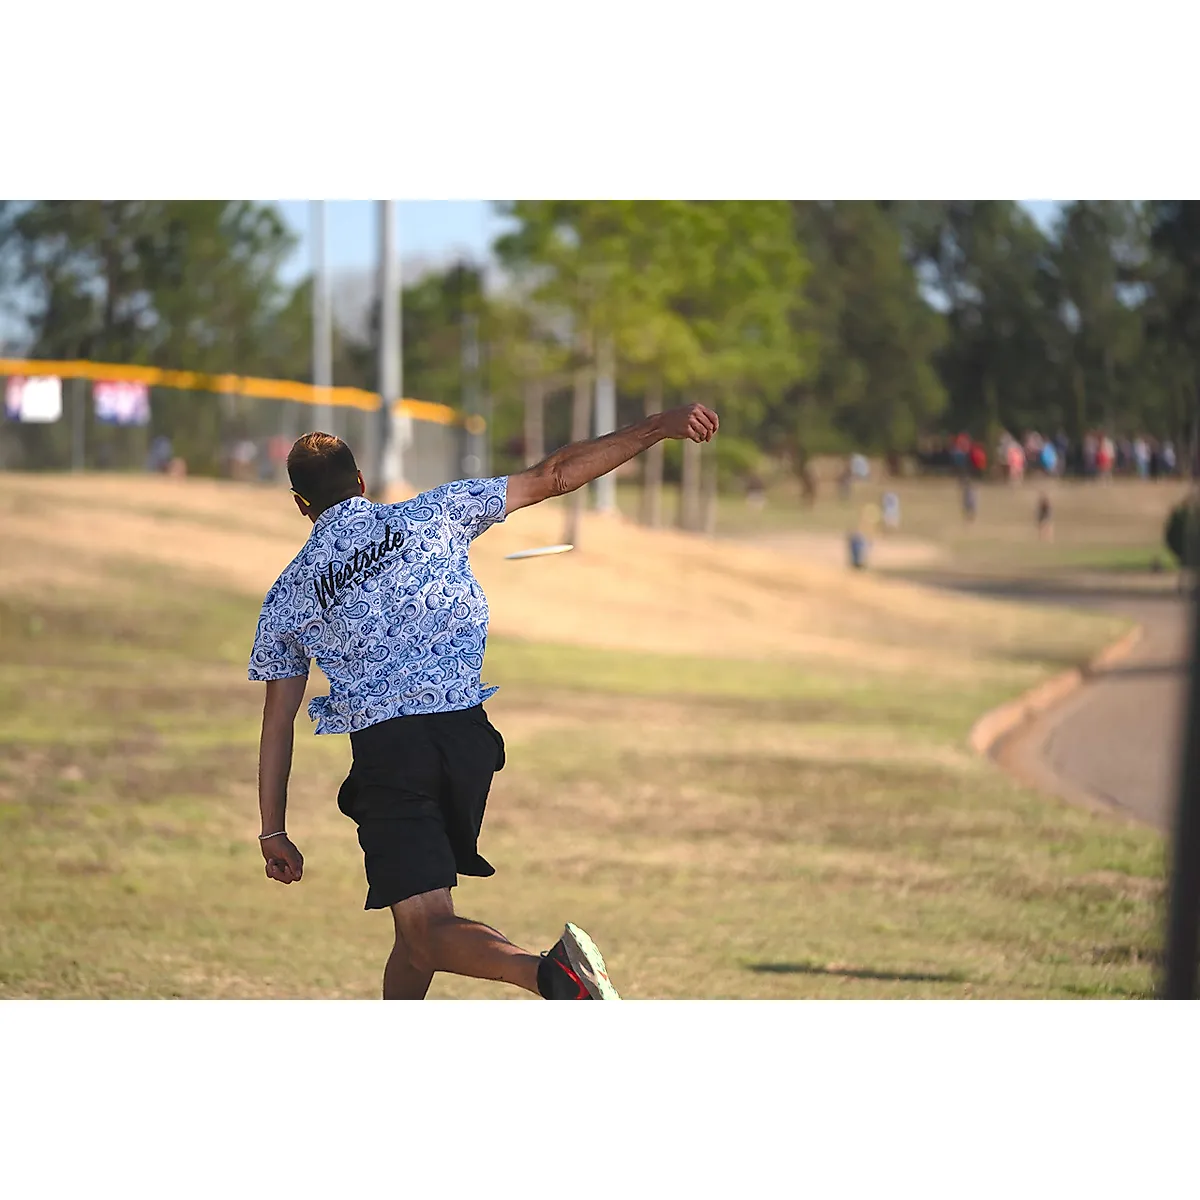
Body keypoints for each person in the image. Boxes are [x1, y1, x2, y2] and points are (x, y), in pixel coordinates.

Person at [248, 403, 720, 1000]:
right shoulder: (435, 511)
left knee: (425, 929)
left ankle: (552, 977)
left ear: (300, 504)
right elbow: (554, 475)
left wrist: (273, 830)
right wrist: (656, 427)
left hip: (393, 754)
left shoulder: (289, 592)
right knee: (417, 931)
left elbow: (278, 722)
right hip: (467, 742)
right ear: (361, 482)